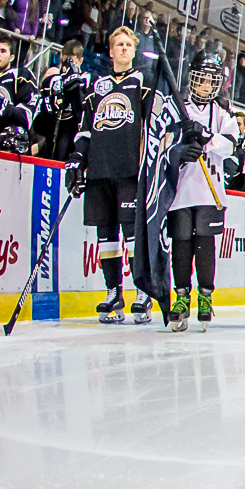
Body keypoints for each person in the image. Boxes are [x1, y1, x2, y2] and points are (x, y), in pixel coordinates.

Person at [66, 26, 158, 325]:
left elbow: (155, 123)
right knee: (105, 236)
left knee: (132, 235)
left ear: (133, 51)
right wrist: (77, 160)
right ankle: (113, 291)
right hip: (100, 170)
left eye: (127, 45)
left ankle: (142, 291)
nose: (122, 49)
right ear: (110, 50)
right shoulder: (98, 85)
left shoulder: (142, 82)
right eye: (117, 44)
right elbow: (85, 128)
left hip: (130, 169)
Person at [166, 50, 237, 332]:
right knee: (181, 242)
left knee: (205, 242)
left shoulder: (221, 112)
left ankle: (205, 296)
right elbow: (164, 140)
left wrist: (207, 137)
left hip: (210, 191)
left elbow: (231, 145)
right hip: (179, 191)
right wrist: (181, 151)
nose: (206, 85)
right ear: (192, 80)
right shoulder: (177, 108)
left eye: (211, 81)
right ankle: (181, 296)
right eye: (202, 80)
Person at [35, 41, 89, 160]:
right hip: (52, 143)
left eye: (73, 62)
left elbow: (84, 113)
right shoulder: (51, 81)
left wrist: (76, 86)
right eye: (65, 62)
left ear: (81, 60)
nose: (67, 67)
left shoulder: (89, 80)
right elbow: (38, 124)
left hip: (74, 141)